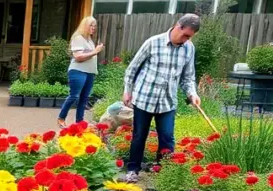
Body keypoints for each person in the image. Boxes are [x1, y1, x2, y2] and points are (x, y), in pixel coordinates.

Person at [122, 14, 201, 179]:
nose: (186, 39)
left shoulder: (189, 48)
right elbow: (132, 68)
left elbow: (188, 77)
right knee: (139, 136)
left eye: (190, 37)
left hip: (167, 102)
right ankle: (133, 170)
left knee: (167, 138)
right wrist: (127, 90)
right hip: (144, 98)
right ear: (177, 26)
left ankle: (164, 172)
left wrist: (192, 94)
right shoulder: (153, 42)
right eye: (185, 35)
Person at [58, 16, 103, 127]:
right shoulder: (78, 38)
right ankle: (61, 118)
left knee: (84, 98)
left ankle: (79, 122)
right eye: (91, 25)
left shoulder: (89, 40)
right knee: (74, 96)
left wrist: (95, 50)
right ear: (84, 26)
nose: (93, 28)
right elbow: (78, 57)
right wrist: (95, 51)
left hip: (89, 72)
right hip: (78, 71)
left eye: (94, 26)